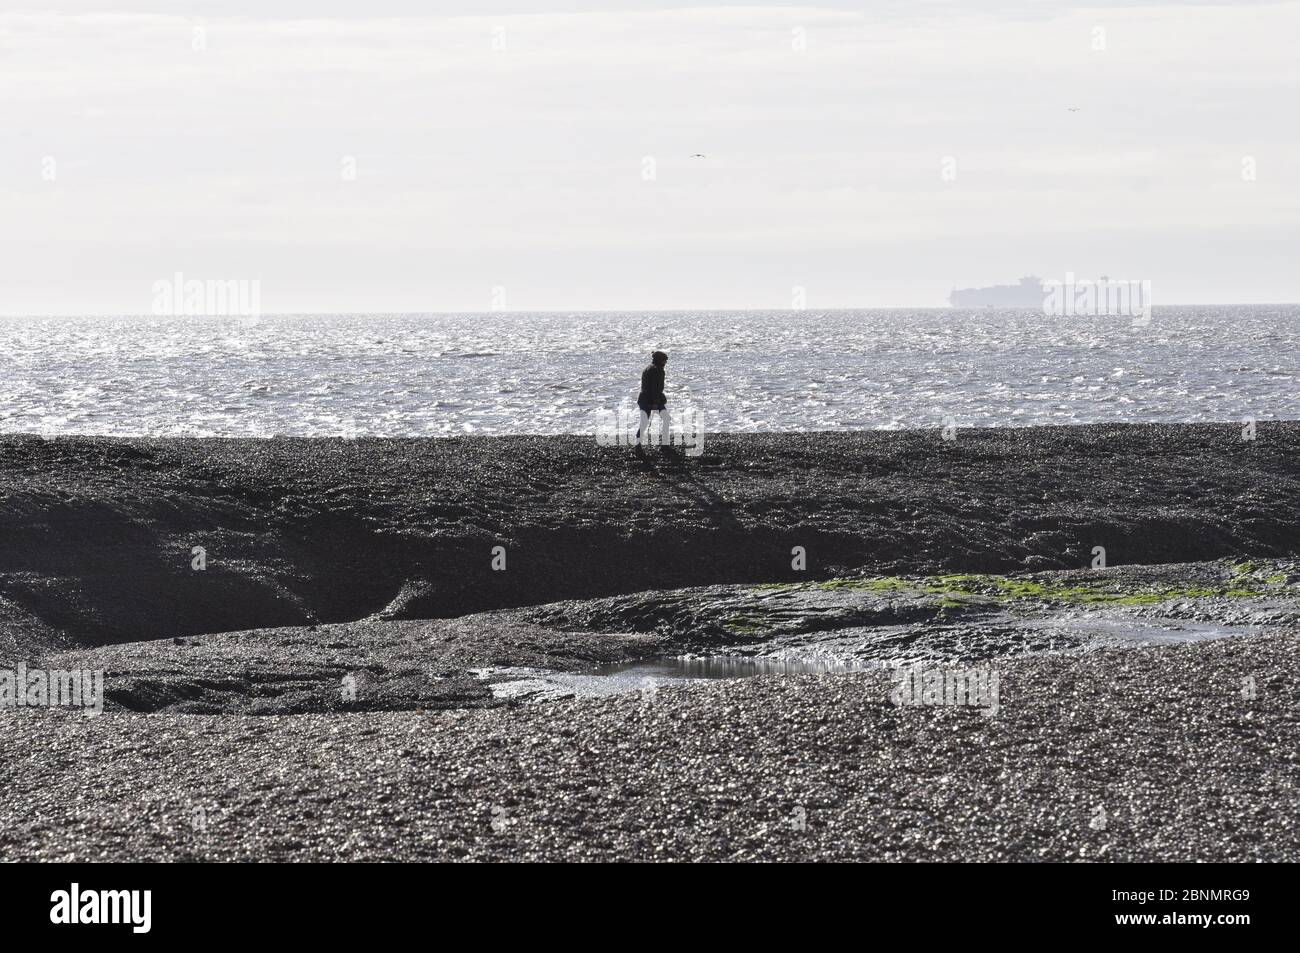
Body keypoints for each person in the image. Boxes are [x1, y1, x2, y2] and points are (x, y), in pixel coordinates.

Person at [636, 350, 668, 450]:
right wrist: (655, 402)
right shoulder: (658, 370)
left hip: (643, 399)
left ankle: (638, 444)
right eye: (665, 360)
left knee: (644, 422)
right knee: (666, 419)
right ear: (660, 360)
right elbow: (655, 388)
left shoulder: (647, 368)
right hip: (652, 400)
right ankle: (664, 444)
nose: (665, 362)